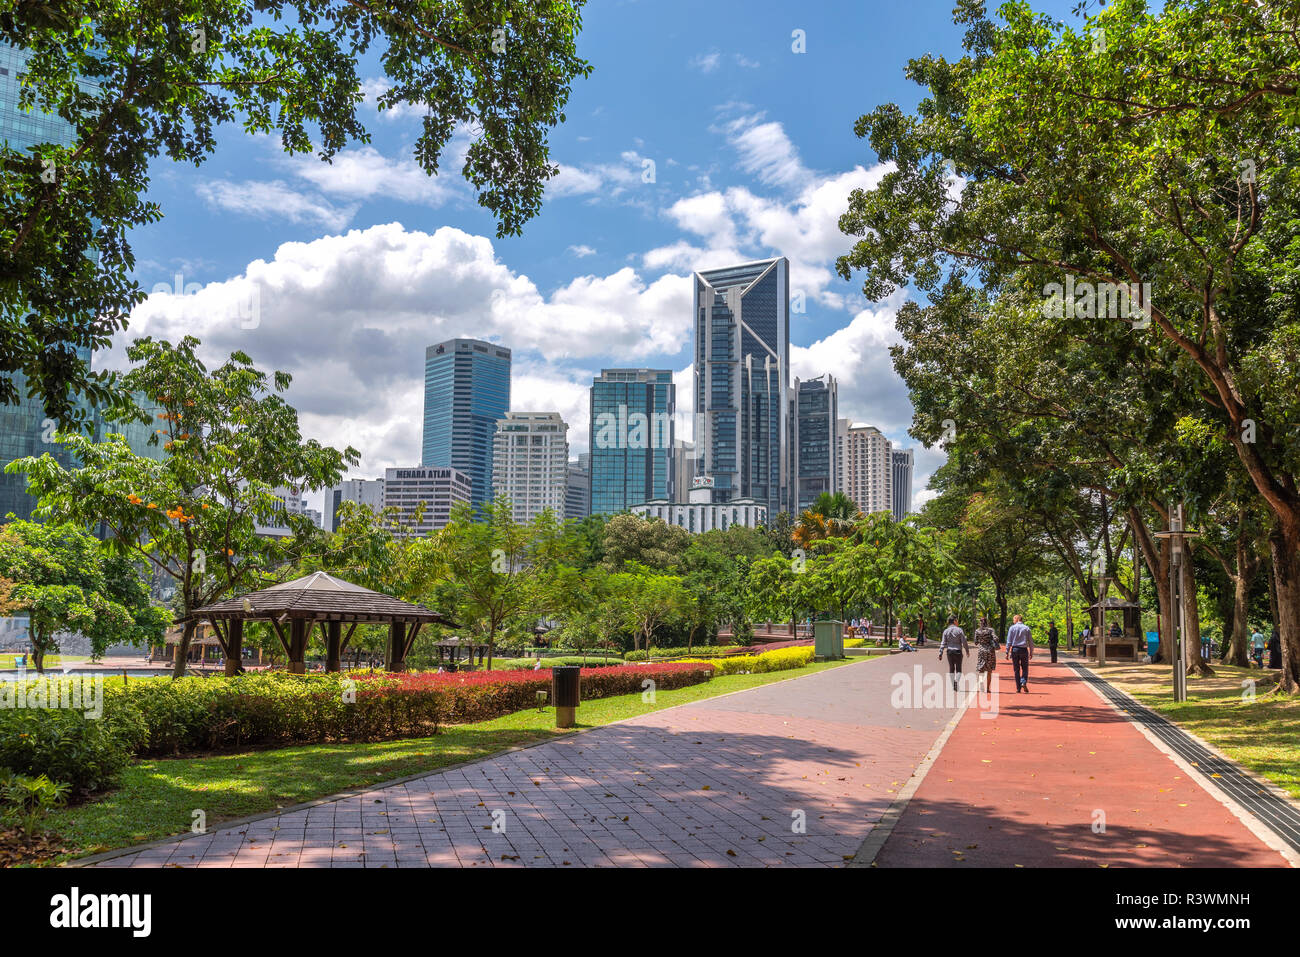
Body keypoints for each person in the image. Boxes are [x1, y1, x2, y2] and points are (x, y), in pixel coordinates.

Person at [939, 615, 969, 691]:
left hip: (949, 652)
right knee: (959, 669)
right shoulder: (959, 630)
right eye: (957, 620)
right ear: (955, 621)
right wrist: (967, 650)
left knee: (951, 668)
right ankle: (956, 681)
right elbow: (964, 641)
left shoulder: (945, 631)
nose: (957, 622)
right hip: (958, 651)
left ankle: (953, 685)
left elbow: (943, 643)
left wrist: (940, 652)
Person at [1005, 614, 1033, 693]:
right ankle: (1023, 681)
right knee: (1025, 668)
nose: (1013, 621)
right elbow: (1030, 641)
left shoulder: (1012, 628)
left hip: (1015, 650)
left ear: (1017, 619)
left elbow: (1009, 641)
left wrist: (1007, 652)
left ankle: (1018, 688)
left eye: (1014, 619)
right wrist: (1031, 652)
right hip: (1024, 650)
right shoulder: (1026, 628)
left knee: (1016, 669)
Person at [973, 616, 999, 693]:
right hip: (990, 651)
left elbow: (975, 642)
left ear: (980, 622)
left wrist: (981, 640)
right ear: (986, 622)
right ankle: (987, 688)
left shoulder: (977, 631)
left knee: (981, 669)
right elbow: (996, 638)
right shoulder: (991, 630)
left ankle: (981, 687)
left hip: (981, 651)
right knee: (989, 670)